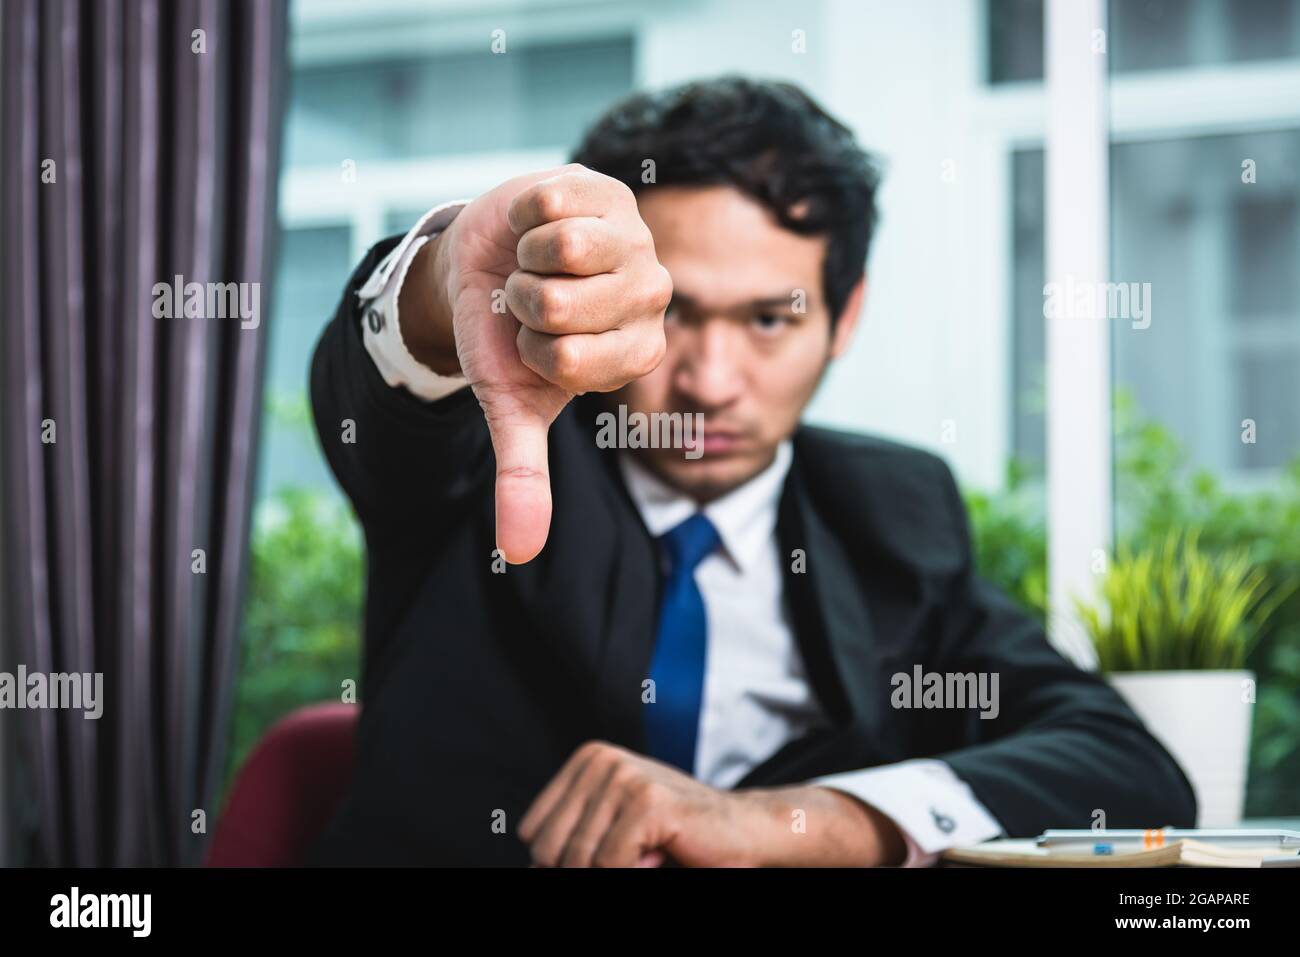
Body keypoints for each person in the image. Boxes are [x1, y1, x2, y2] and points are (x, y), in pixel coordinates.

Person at [307, 76, 1195, 867]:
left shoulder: (893, 509)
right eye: (672, 312)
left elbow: (1123, 764)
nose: (709, 382)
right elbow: (389, 389)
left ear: (844, 318)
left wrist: (790, 822)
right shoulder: (495, 453)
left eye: (770, 319)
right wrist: (443, 283)